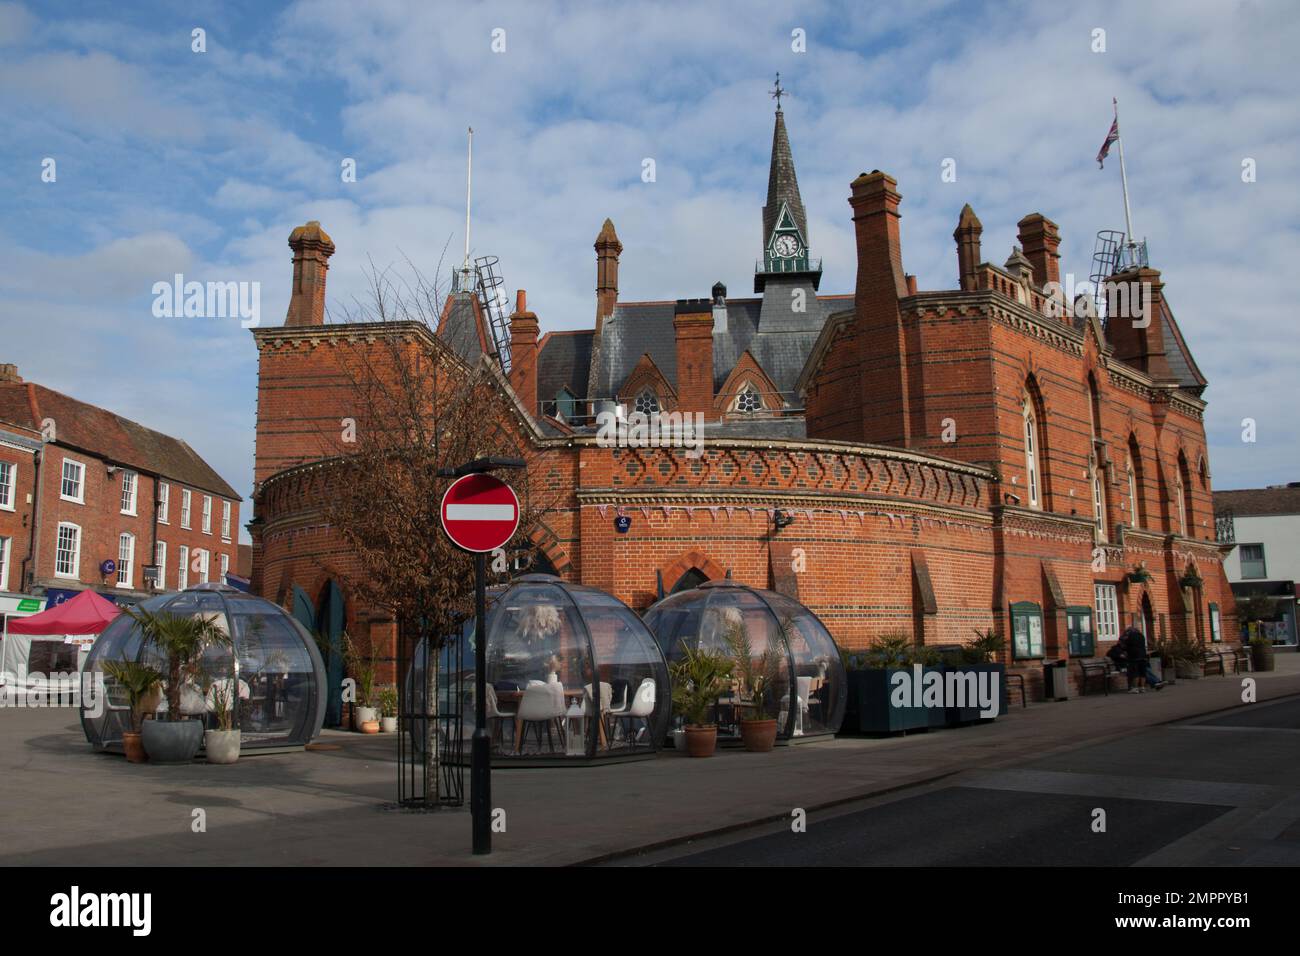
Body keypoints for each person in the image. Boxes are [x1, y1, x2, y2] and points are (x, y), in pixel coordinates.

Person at [1121, 625, 1149, 693]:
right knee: (1142, 673)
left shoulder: (1129, 636)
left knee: (1135, 673)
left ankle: (1135, 688)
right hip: (1143, 655)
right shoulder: (1141, 636)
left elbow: (1125, 646)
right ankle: (1142, 687)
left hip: (1134, 657)